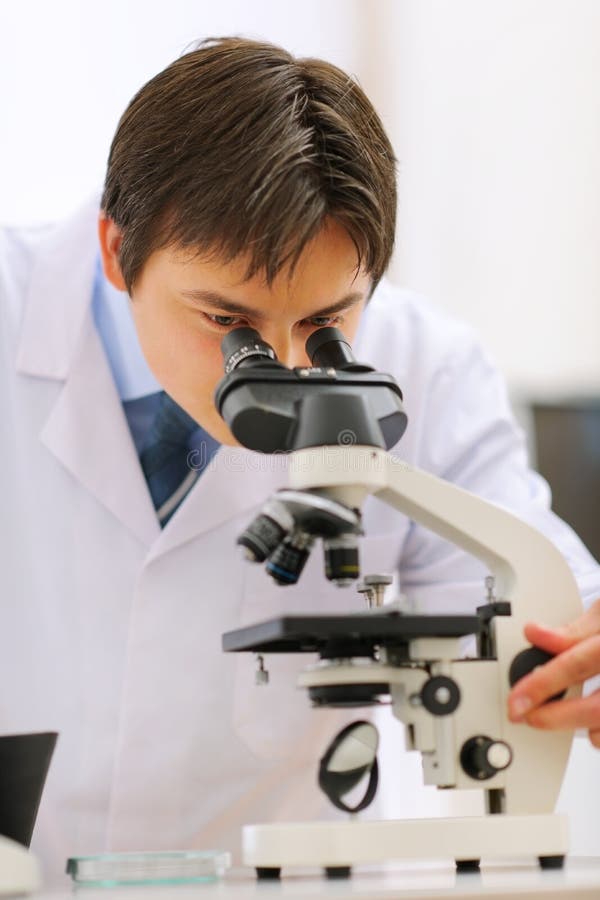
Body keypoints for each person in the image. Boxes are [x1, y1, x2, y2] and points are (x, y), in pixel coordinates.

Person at [1, 36, 599, 883]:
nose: (282, 366)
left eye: (325, 323)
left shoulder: (428, 367)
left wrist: (582, 655)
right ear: (114, 249)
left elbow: (543, 607)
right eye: (227, 323)